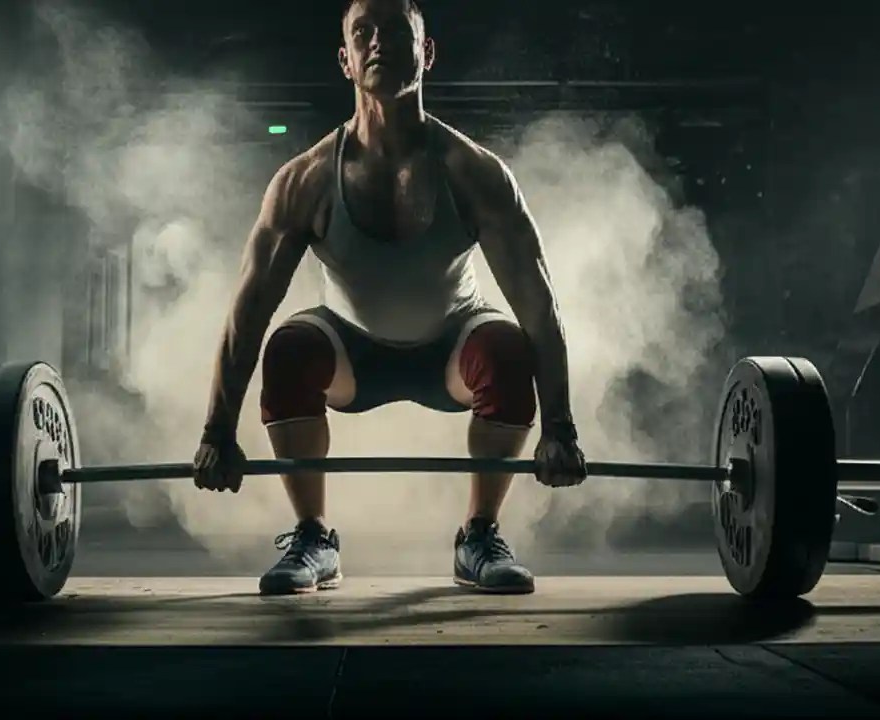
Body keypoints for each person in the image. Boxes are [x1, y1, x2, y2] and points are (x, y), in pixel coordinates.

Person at [193, 0, 587, 596]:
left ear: (426, 53)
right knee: (287, 349)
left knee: (507, 348)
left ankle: (478, 536)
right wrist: (217, 432)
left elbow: (540, 307)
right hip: (351, 350)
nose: (379, 43)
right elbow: (245, 316)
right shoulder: (304, 181)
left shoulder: (476, 174)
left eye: (397, 32)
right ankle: (313, 538)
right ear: (345, 60)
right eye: (363, 34)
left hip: (453, 345)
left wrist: (559, 426)